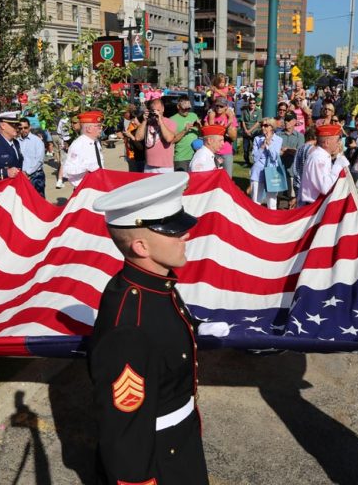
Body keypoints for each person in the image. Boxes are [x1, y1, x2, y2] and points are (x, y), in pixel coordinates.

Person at [89, 172, 229, 485]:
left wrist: (197, 328)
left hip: (180, 440)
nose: (186, 236)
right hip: (161, 459)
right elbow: (123, 430)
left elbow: (166, 322)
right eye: (173, 231)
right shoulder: (130, 327)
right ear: (140, 245)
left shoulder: (154, 282)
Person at [299, 124, 350, 206]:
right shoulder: (317, 158)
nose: (339, 143)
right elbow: (324, 187)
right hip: (312, 207)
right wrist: (338, 165)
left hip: (318, 205)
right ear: (327, 142)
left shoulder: (324, 156)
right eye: (338, 140)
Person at [134, 96, 177, 174]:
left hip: (165, 167)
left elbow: (169, 139)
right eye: (153, 110)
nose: (156, 113)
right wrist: (144, 121)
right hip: (149, 166)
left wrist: (160, 121)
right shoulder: (147, 122)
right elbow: (137, 138)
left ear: (163, 109)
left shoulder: (170, 122)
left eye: (158, 110)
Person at [63, 110, 105, 188]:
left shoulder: (96, 142)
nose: (101, 129)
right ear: (88, 129)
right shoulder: (78, 145)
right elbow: (67, 171)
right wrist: (85, 167)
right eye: (98, 126)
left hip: (99, 184)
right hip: (85, 188)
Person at [250, 118, 282, 210]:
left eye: (266, 125)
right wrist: (262, 147)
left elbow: (274, 157)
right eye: (262, 125)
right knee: (256, 201)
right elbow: (254, 158)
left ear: (272, 127)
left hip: (272, 172)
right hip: (257, 172)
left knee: (272, 201)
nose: (263, 127)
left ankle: (273, 221)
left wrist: (269, 144)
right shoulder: (257, 139)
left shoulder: (278, 139)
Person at [204, 97, 238, 177]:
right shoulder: (210, 115)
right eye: (217, 106)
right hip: (212, 151)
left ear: (226, 107)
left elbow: (234, 137)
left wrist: (227, 127)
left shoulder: (231, 117)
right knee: (212, 177)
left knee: (227, 177)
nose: (219, 108)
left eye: (221, 106)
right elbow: (206, 132)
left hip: (226, 151)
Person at [279, 112, 305, 208]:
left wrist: (286, 150)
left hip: (292, 172)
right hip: (279, 171)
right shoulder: (278, 134)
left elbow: (300, 152)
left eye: (289, 120)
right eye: (285, 119)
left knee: (292, 198)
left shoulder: (300, 136)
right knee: (278, 196)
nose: (286, 122)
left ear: (294, 121)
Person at [17, 117, 46, 197]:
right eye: (21, 128)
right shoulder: (17, 142)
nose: (23, 130)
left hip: (36, 176)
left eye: (25, 127)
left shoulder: (37, 141)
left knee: (38, 201)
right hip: (21, 176)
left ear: (29, 127)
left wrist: (27, 173)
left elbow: (39, 160)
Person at [170, 96, 201, 172]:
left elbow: (201, 134)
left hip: (196, 156)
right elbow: (172, 141)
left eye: (188, 108)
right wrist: (184, 131)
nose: (187, 110)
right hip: (181, 158)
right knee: (182, 182)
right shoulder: (172, 120)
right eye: (184, 109)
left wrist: (200, 127)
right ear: (178, 106)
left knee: (195, 182)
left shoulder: (193, 115)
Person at [239, 97, 262, 166]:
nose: (252, 104)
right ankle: (246, 162)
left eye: (253, 103)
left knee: (256, 148)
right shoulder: (244, 111)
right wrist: (246, 130)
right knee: (246, 148)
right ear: (249, 104)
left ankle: (256, 161)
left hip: (255, 132)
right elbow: (242, 121)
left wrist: (250, 130)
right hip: (246, 131)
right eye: (251, 103)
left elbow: (258, 122)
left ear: (256, 104)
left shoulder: (259, 111)